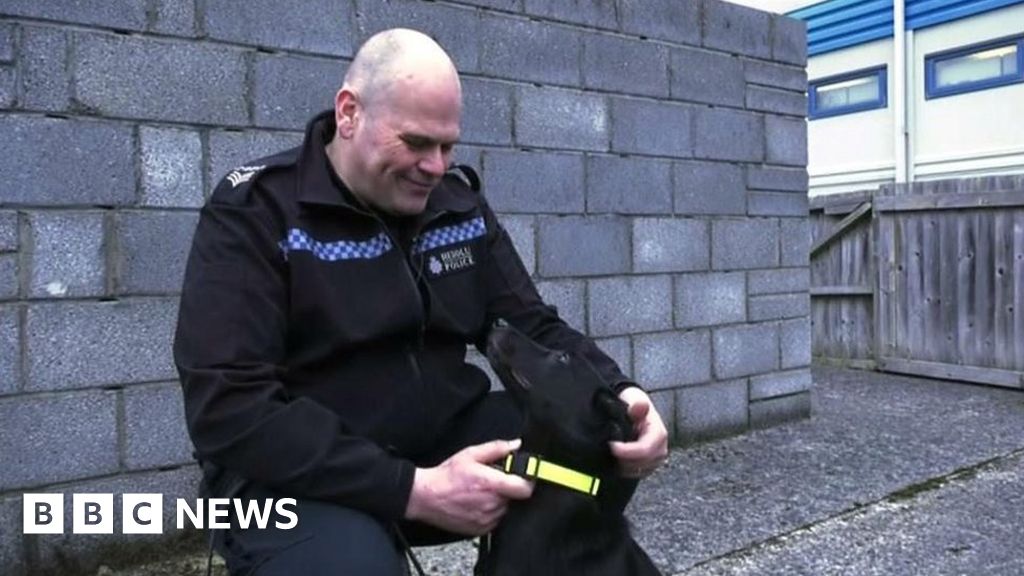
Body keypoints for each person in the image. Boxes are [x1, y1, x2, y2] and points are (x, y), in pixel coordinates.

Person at [174, 28, 668, 575]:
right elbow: (229, 407)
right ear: (349, 114)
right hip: (294, 477)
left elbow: (531, 324)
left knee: (598, 447)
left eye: (447, 146)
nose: (434, 166)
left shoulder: (455, 205)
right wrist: (412, 490)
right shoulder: (257, 211)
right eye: (415, 143)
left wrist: (622, 394)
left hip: (437, 438)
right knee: (353, 568)